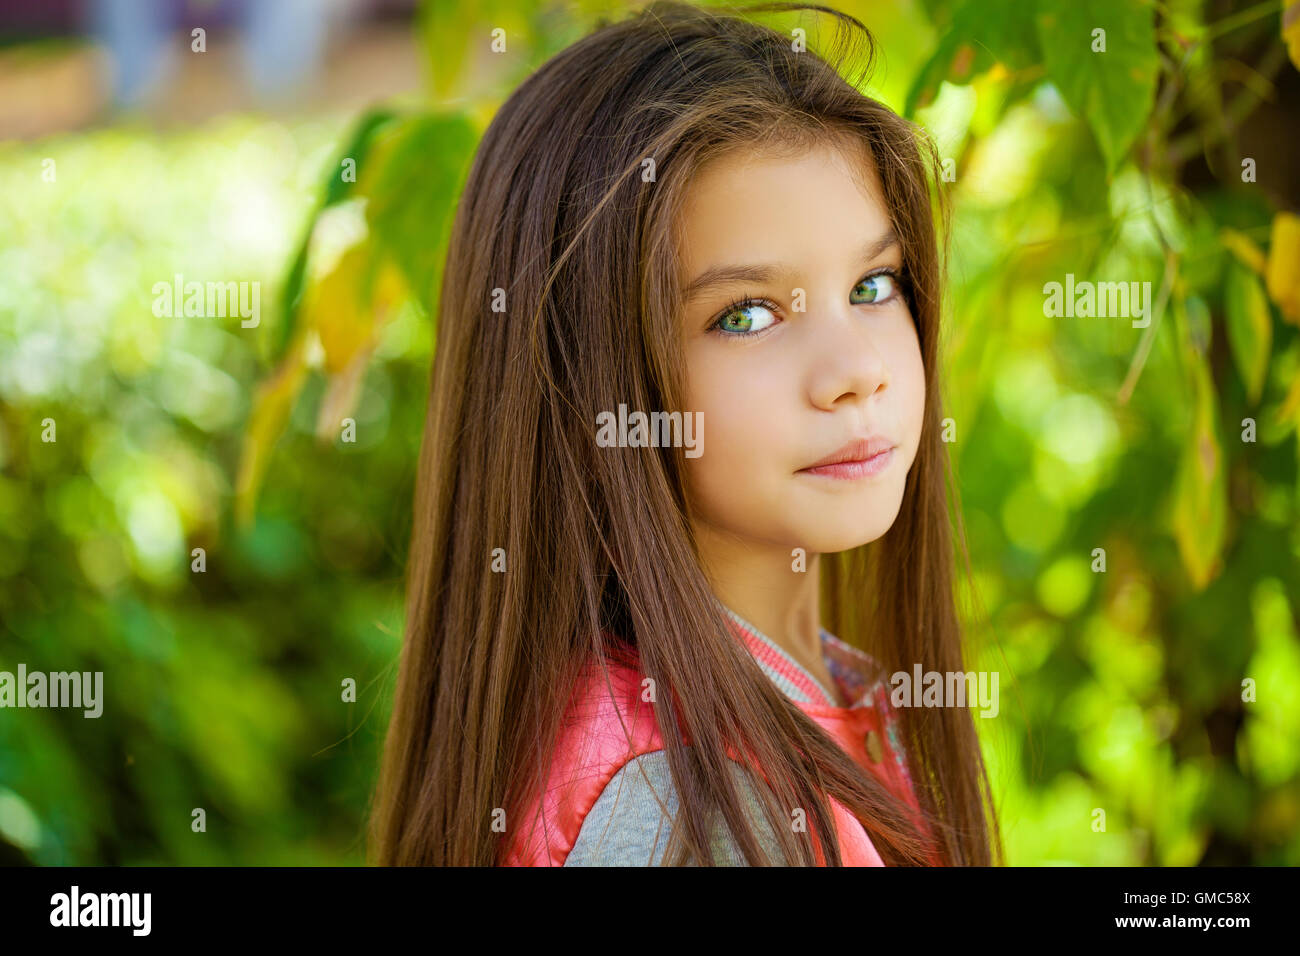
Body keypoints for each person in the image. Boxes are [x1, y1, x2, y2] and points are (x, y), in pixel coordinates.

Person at [370, 0, 1001, 866]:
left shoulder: (821, 697)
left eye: (873, 284)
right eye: (746, 314)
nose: (857, 369)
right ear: (590, 376)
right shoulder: (692, 813)